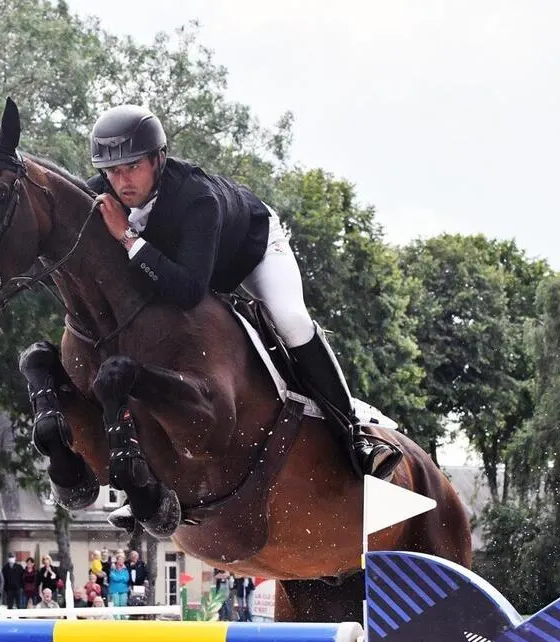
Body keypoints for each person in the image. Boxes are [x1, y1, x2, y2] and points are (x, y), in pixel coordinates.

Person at [87, 105, 402, 504]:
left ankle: (355, 435)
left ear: (158, 159)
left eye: (131, 167)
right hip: (183, 268)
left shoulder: (197, 199)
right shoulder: (101, 190)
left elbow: (188, 291)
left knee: (289, 320)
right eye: (111, 171)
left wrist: (128, 238)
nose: (120, 181)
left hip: (251, 252)